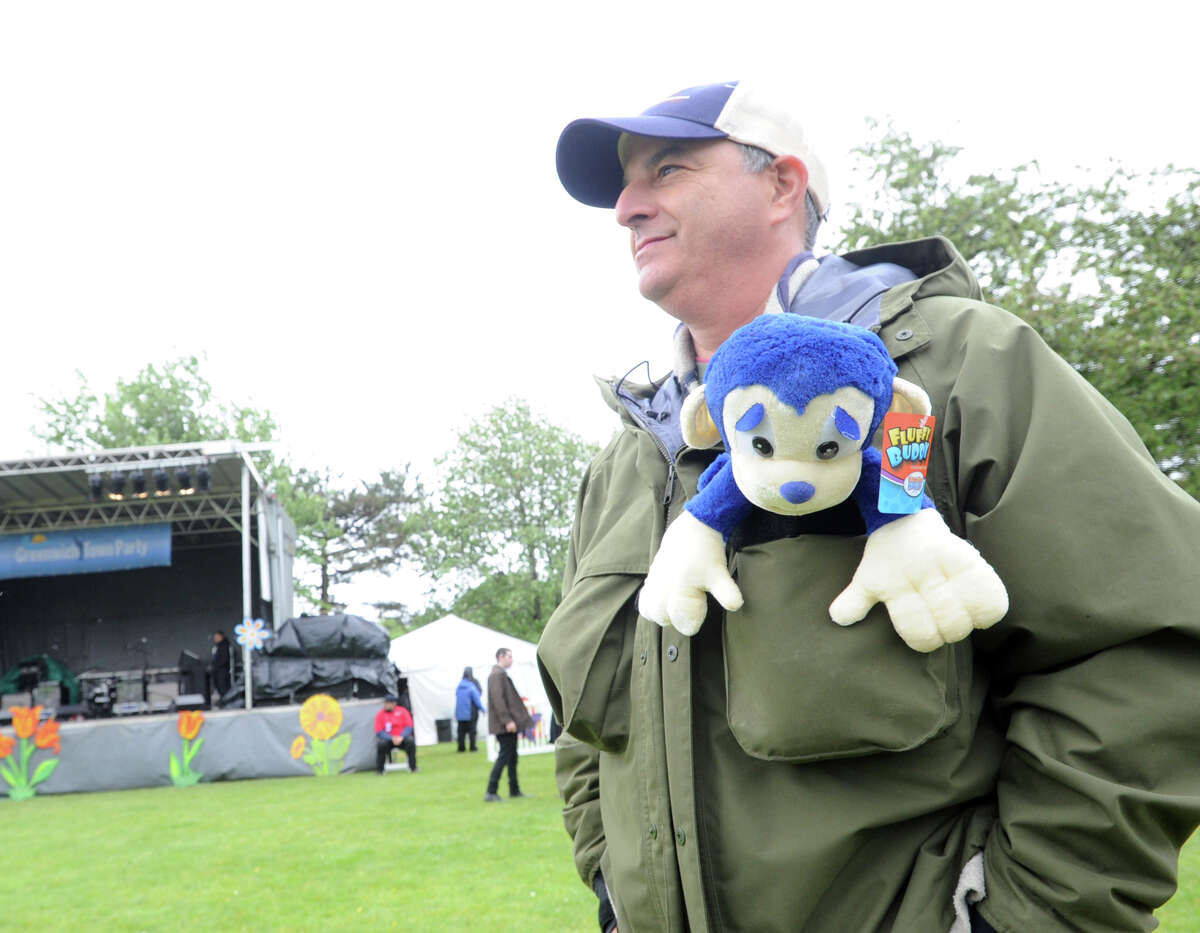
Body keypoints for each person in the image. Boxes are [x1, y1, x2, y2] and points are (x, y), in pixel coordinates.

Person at [537, 79, 1200, 933]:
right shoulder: (626, 460)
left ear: (782, 185)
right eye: (625, 186)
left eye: (665, 169)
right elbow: (584, 733)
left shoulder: (964, 368)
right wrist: (615, 892)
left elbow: (1145, 650)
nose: (627, 206)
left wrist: (1017, 921)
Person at [484, 647, 533, 802]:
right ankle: (491, 791)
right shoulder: (496, 675)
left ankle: (514, 789)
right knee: (504, 757)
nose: (511, 660)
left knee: (512, 757)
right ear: (500, 657)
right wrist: (507, 721)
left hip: (506, 724)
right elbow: (498, 700)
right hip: (504, 725)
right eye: (509, 657)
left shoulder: (500, 675)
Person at [374, 693, 417, 774]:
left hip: (402, 739)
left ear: (394, 703)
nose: (385, 705)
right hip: (388, 740)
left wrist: (401, 737)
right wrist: (391, 738)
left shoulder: (403, 711)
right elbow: (379, 731)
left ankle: (413, 767)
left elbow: (409, 727)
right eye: (385, 703)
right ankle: (380, 770)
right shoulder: (380, 714)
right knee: (381, 744)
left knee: (410, 741)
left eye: (388, 703)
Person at [455, 666, 485, 752]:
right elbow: (477, 699)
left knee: (461, 731)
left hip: (460, 713)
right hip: (470, 712)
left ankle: (461, 748)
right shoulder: (472, 686)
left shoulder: (459, 686)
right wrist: (482, 709)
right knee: (472, 730)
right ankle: (472, 747)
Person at [209, 630, 232, 703]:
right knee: (220, 688)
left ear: (221, 637)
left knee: (223, 688)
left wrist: (216, 666)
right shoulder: (218, 647)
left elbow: (224, 659)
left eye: (217, 637)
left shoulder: (224, 646)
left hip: (222, 671)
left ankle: (226, 702)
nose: (215, 639)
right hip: (218, 671)